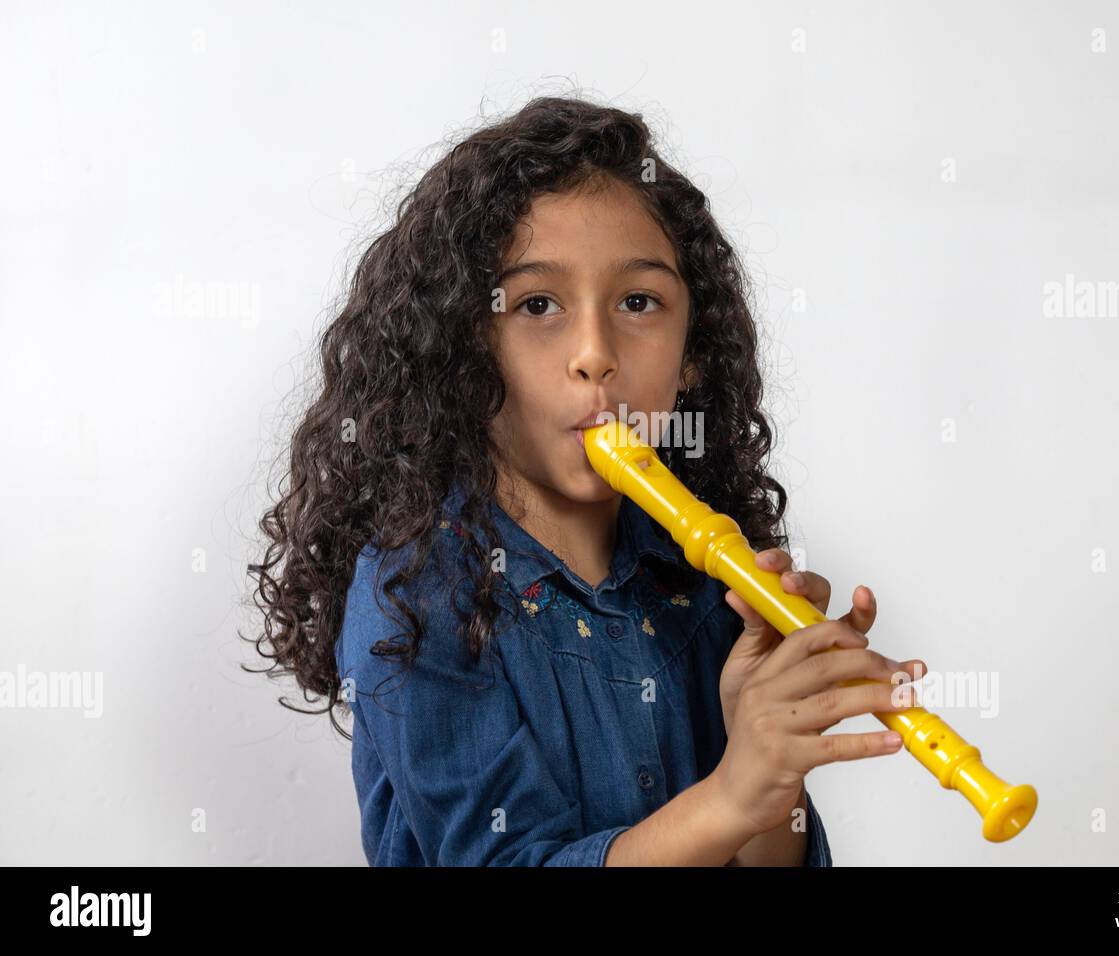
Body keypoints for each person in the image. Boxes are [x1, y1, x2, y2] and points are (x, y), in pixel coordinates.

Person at [247, 95, 926, 866]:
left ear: (693, 352)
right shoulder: (416, 591)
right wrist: (728, 795)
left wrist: (769, 767)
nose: (595, 353)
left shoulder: (703, 589)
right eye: (538, 304)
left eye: (639, 302)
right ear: (465, 350)